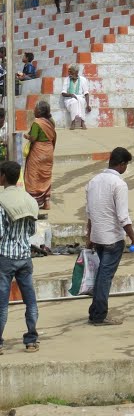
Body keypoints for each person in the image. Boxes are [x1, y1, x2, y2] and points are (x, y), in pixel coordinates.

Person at [84, 147, 134, 325]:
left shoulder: (93, 181)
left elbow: (89, 214)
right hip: (112, 239)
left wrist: (89, 237)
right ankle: (99, 315)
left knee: (101, 275)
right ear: (122, 164)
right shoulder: (119, 184)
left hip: (97, 237)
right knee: (105, 277)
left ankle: (95, 311)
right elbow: (123, 216)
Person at [0, 160, 40, 353]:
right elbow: (32, 230)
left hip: (5, 257)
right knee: (30, 301)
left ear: (3, 177)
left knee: (2, 304)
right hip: (25, 256)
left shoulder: (2, 201)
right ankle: (31, 340)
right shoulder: (29, 200)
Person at [24, 101, 56, 210]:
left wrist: (27, 137)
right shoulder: (51, 122)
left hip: (38, 152)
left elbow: (33, 138)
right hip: (48, 152)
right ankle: (46, 202)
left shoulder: (37, 123)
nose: (33, 110)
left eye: (35, 108)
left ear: (39, 111)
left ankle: (34, 203)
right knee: (45, 176)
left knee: (33, 175)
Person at [61, 64, 92, 130]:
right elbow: (63, 93)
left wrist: (88, 105)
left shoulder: (83, 79)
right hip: (69, 99)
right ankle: (73, 122)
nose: (69, 73)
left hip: (80, 98)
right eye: (69, 71)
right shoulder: (67, 80)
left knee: (81, 101)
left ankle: (82, 122)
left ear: (76, 72)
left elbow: (86, 93)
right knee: (74, 101)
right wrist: (71, 95)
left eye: (71, 71)